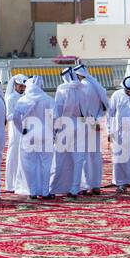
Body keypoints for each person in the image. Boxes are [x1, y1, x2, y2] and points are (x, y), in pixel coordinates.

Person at [12, 75, 54, 198]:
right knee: (46, 164)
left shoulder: (23, 100)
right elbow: (56, 117)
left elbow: (15, 118)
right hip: (45, 134)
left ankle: (32, 192)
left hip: (29, 134)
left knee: (29, 164)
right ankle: (45, 192)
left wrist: (22, 130)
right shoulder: (48, 99)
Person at [49, 66, 85, 197]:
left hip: (65, 126)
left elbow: (57, 111)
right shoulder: (82, 89)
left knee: (58, 159)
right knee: (78, 159)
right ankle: (75, 188)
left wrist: (54, 131)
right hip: (81, 125)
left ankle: (52, 188)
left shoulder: (62, 89)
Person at [76, 65, 109, 195]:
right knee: (95, 155)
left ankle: (86, 185)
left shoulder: (83, 86)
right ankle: (96, 185)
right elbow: (103, 106)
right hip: (95, 122)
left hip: (86, 123)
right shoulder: (94, 84)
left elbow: (84, 108)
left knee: (84, 156)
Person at [4, 74, 28, 195]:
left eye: (24, 86)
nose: (22, 88)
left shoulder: (26, 96)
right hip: (14, 128)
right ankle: (11, 183)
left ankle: (21, 182)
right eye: (20, 86)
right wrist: (19, 116)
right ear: (15, 85)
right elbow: (9, 115)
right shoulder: (11, 98)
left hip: (25, 127)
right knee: (13, 155)